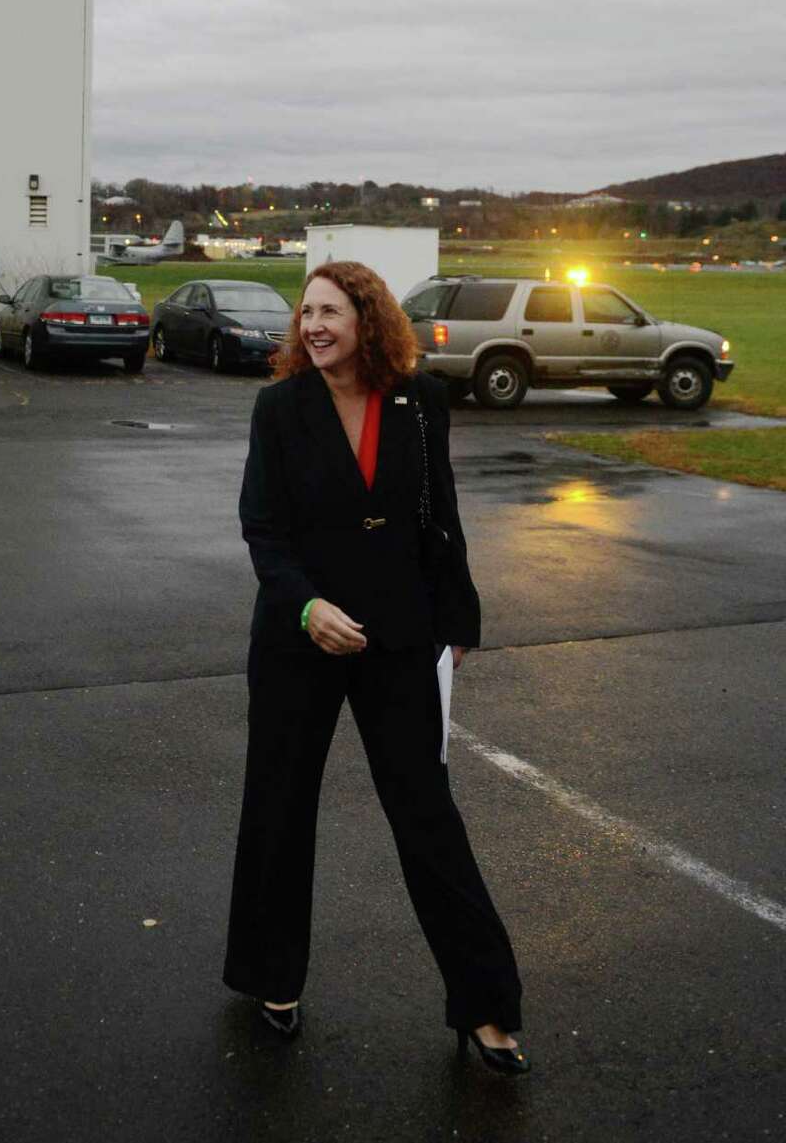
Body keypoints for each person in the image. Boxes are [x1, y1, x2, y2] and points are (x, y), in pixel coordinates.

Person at [223, 261, 529, 1073]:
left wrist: (456, 620)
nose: (312, 325)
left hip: (398, 638)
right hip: (300, 636)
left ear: (368, 318)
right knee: (279, 807)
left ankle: (487, 1006)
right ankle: (271, 977)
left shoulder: (421, 402)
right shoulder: (279, 408)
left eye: (329, 310)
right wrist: (305, 606)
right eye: (305, 313)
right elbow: (262, 528)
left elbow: (442, 518)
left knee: (428, 815)